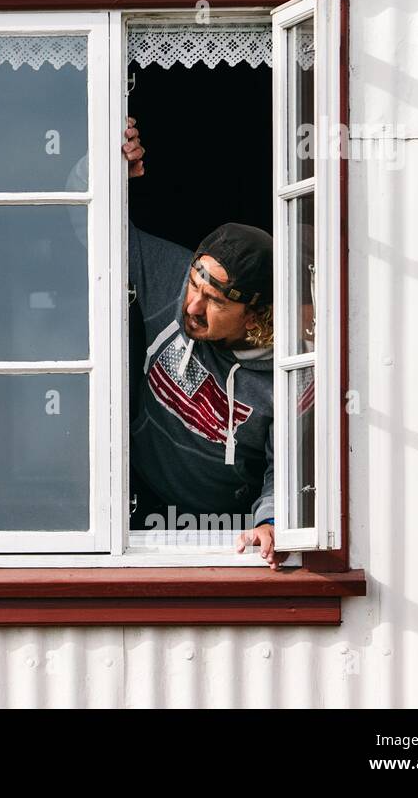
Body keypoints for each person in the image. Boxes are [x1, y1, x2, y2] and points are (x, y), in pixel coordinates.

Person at [121, 118, 287, 570]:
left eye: (213, 301)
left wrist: (272, 520)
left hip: (227, 525)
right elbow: (89, 227)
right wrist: (105, 164)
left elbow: (286, 466)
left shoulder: (283, 373)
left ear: (256, 317)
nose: (191, 306)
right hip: (138, 497)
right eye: (195, 284)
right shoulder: (171, 279)